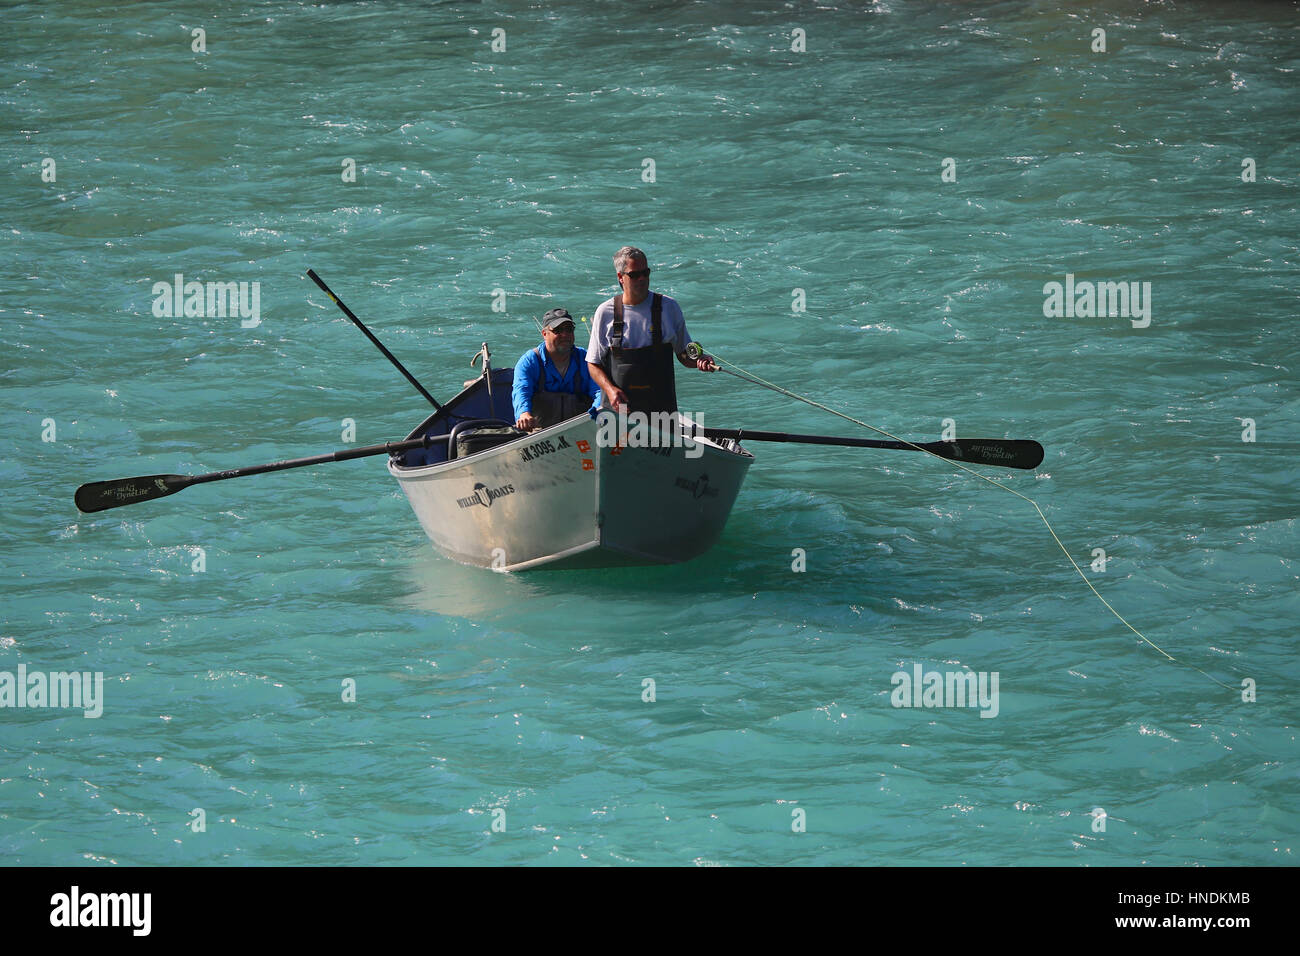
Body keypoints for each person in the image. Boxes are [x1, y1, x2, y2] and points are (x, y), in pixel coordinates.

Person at [585, 246, 715, 414]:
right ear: (620, 277)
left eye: (645, 273)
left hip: (661, 414)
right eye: (634, 275)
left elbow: (684, 355)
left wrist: (700, 361)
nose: (642, 279)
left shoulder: (669, 308)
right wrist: (610, 390)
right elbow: (593, 364)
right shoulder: (605, 312)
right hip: (618, 416)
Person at [512, 308, 602, 431]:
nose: (565, 335)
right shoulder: (529, 361)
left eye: (569, 329)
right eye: (558, 331)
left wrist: (597, 410)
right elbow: (521, 391)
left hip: (582, 430)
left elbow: (599, 390)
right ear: (544, 334)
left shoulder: (586, 359)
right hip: (541, 434)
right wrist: (524, 414)